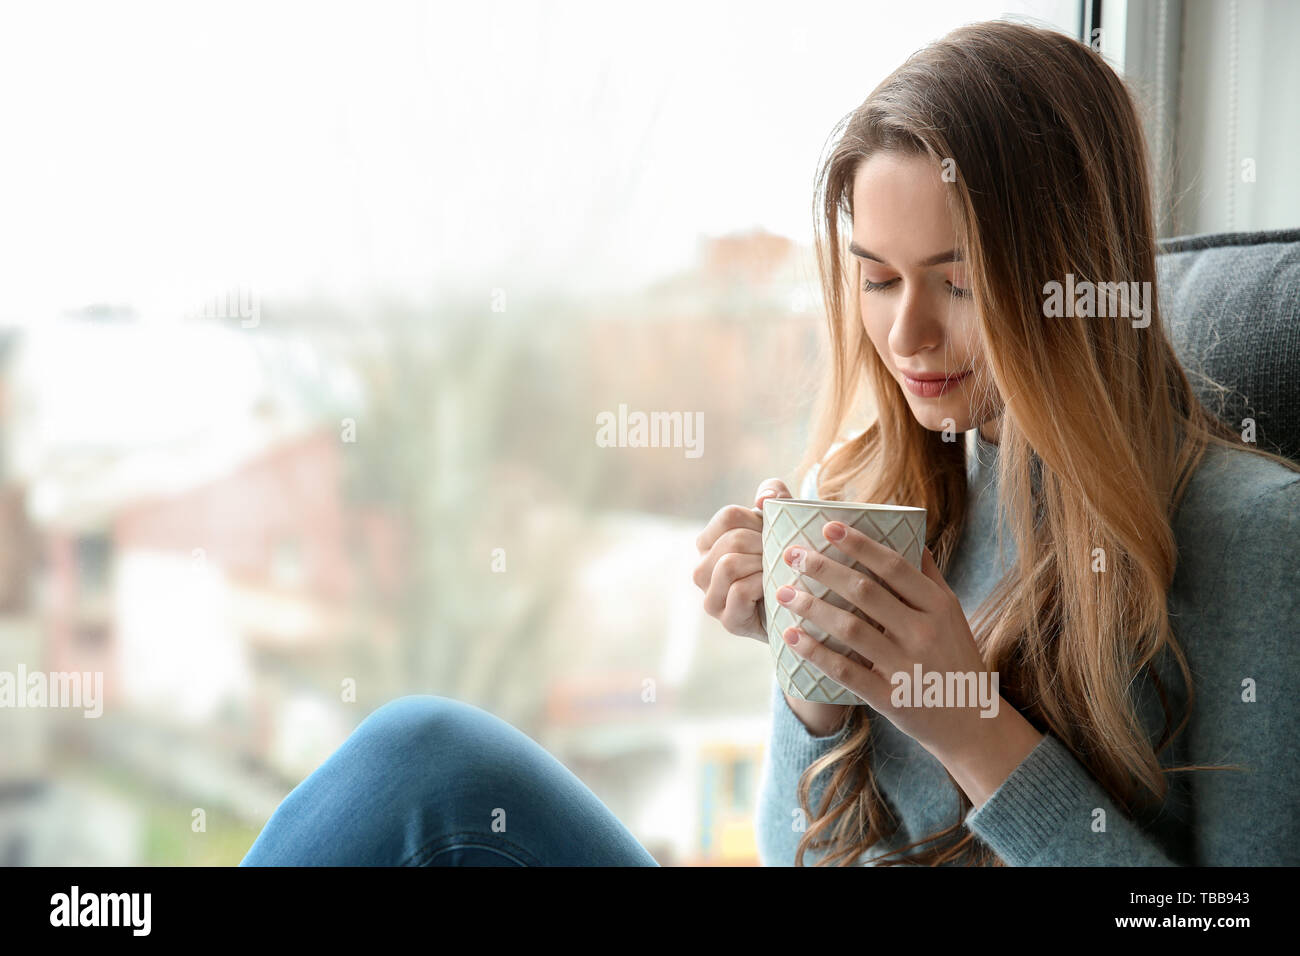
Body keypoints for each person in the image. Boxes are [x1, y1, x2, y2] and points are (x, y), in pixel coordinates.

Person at [242, 19, 1299, 867]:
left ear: (1076, 269)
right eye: (876, 278)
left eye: (957, 281)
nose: (905, 334)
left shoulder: (1254, 538)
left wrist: (968, 722)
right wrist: (813, 691)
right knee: (426, 759)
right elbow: (798, 854)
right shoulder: (898, 500)